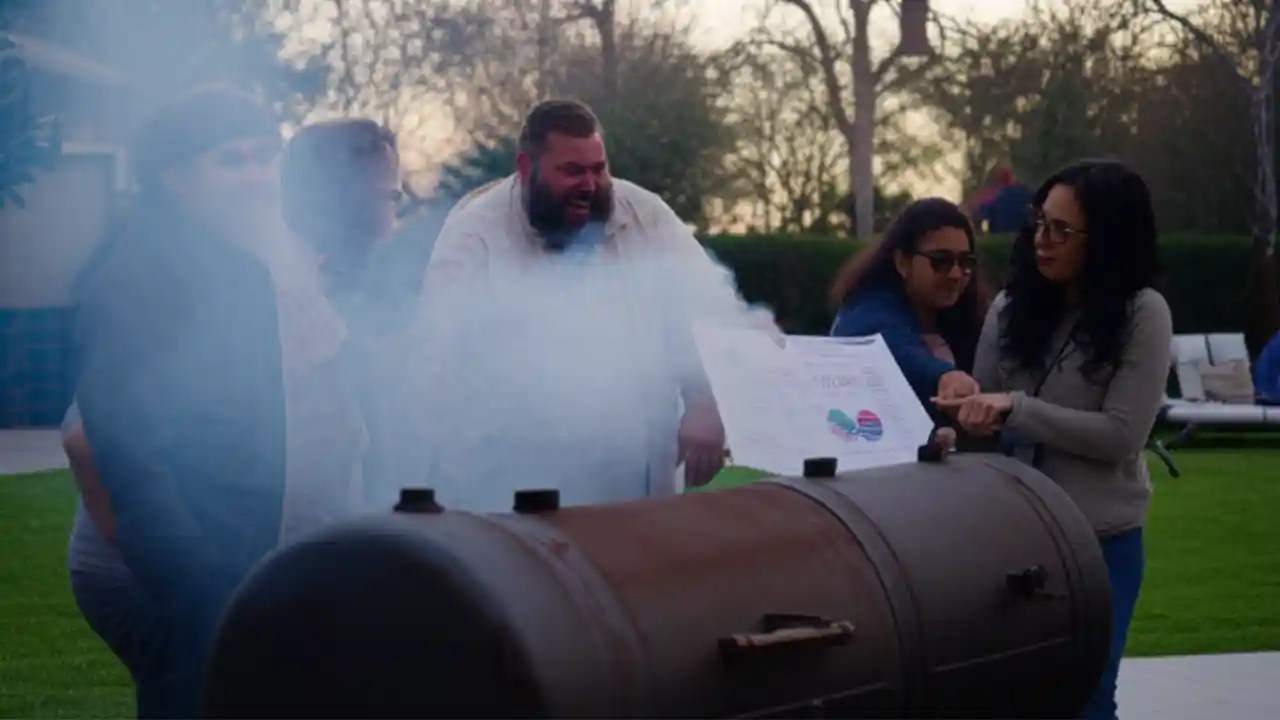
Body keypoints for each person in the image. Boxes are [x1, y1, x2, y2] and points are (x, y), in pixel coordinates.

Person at [70, 85, 341, 717]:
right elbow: (132, 463)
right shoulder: (137, 280)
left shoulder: (237, 263)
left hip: (238, 567)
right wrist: (200, 586)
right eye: (231, 159)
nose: (256, 176)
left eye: (262, 155)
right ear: (175, 178)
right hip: (186, 577)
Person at [419, 99, 769, 508]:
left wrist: (705, 403)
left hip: (637, 488)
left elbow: (712, 308)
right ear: (526, 168)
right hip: (516, 487)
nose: (589, 185)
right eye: (571, 171)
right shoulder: (474, 237)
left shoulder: (645, 215)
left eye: (598, 169)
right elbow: (436, 368)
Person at [935, 159, 1172, 720]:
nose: (1043, 240)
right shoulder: (1011, 308)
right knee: (1009, 697)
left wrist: (1017, 408)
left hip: (1101, 545)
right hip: (1010, 539)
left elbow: (1121, 434)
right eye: (1039, 223)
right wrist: (960, 416)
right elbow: (985, 416)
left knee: (1087, 700)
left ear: (1109, 238)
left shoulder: (1144, 314)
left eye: (1062, 230)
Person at [829, 198, 990, 420]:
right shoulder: (866, 311)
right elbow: (887, 347)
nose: (955, 274)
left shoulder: (969, 318)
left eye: (965, 263)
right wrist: (943, 377)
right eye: (940, 261)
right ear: (902, 262)